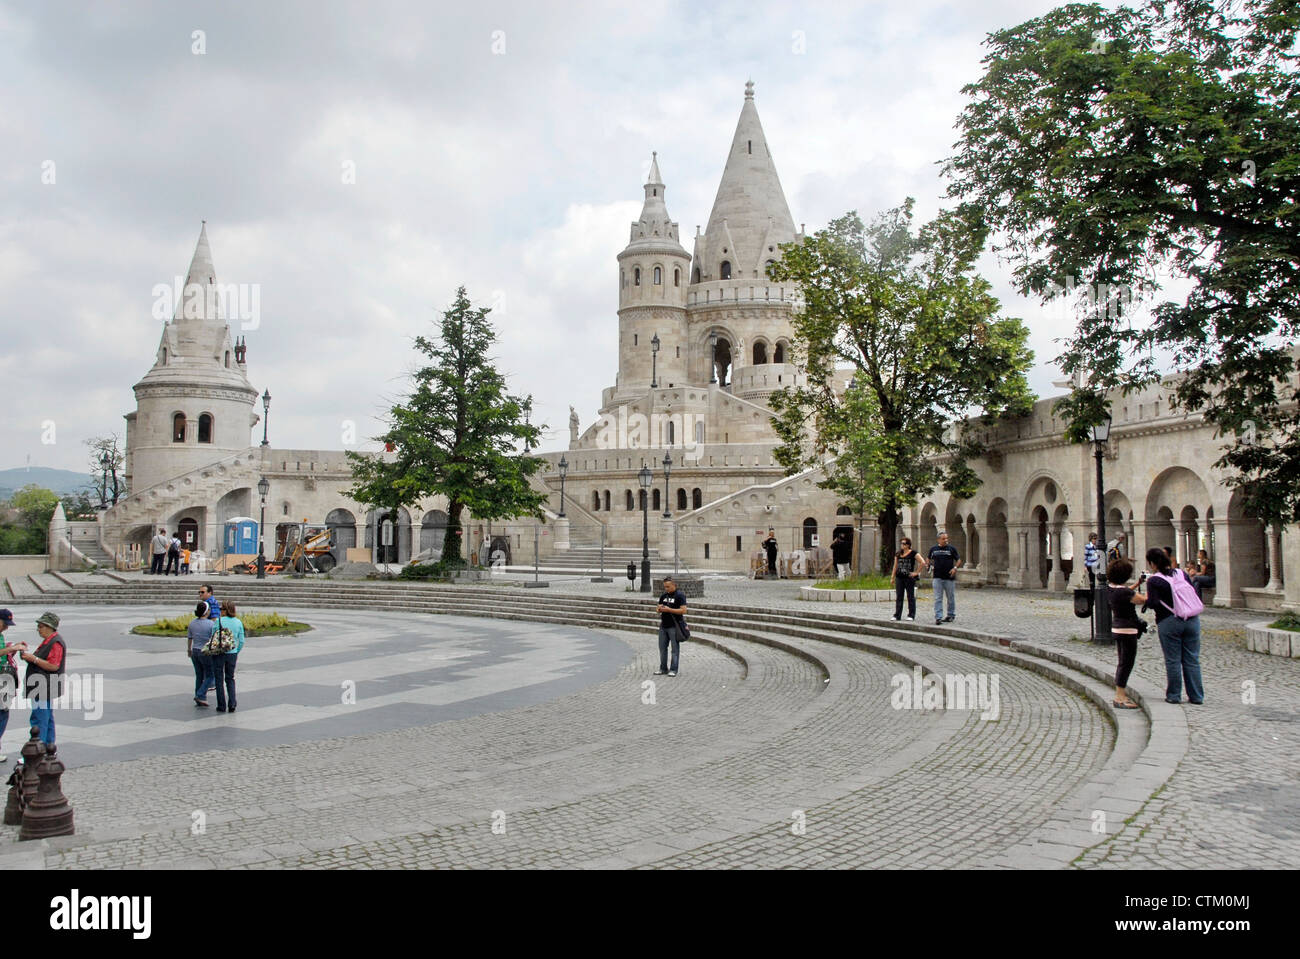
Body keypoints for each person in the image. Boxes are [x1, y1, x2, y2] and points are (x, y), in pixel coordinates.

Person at [1142, 547, 1205, 705]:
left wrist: (1144, 600)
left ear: (1152, 563)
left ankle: (1174, 695)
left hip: (1169, 621)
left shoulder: (1154, 580)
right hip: (1192, 619)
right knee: (1192, 659)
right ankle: (1197, 696)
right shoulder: (1181, 573)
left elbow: (1153, 602)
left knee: (1173, 660)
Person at [1106, 558, 1146, 709]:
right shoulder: (1124, 592)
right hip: (1127, 629)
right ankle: (1120, 696)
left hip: (1117, 628)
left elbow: (1126, 591)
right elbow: (1141, 600)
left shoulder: (1111, 589)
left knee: (1122, 661)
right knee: (1126, 663)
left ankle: (1120, 694)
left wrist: (1138, 584)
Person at [21, 612, 66, 745]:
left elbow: (53, 665)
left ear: (49, 627)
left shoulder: (55, 642)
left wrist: (33, 659)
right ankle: (48, 747)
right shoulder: (49, 641)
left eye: (40, 626)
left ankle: (38, 751)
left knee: (40, 719)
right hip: (41, 687)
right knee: (46, 718)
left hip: (43, 687)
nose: (38, 629)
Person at [0, 609, 28, 762]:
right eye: (5, 624)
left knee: (3, 712)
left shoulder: (1, 636)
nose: (6, 627)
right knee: (2, 713)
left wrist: (13, 648)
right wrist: (12, 648)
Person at [212, 600, 245, 713]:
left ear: (226, 610)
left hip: (219, 653)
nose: (220, 611)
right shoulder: (238, 622)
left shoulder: (218, 621)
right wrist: (236, 650)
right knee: (230, 678)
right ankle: (232, 703)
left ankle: (221, 705)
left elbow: (213, 637)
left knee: (219, 679)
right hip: (232, 654)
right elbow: (241, 640)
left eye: (222, 609)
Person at [654, 576, 687, 678]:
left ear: (674, 585)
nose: (666, 589)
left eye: (668, 586)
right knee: (662, 648)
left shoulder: (680, 596)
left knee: (674, 649)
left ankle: (673, 669)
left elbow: (683, 610)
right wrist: (659, 609)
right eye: (665, 587)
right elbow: (657, 608)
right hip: (663, 626)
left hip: (674, 626)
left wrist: (669, 610)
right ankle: (663, 668)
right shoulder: (663, 596)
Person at [928, 531, 962, 624]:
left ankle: (950, 615)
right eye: (943, 539)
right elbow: (928, 559)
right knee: (938, 597)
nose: (945, 540)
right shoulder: (933, 549)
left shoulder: (951, 549)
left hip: (949, 577)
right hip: (937, 577)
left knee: (950, 597)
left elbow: (958, 560)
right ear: (938, 539)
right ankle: (938, 617)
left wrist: (955, 568)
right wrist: (930, 566)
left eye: (946, 538)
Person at [188, 601, 215, 708]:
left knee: (199, 675)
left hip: (195, 651)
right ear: (207, 612)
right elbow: (213, 639)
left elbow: (190, 638)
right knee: (210, 675)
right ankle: (200, 694)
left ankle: (200, 697)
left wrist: (188, 650)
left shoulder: (192, 623)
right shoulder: (211, 624)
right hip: (205, 652)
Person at [889, 537, 924, 621]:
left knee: (910, 596)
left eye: (904, 544)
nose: (902, 545)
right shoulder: (898, 554)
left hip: (909, 577)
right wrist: (892, 577)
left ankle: (911, 614)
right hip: (899, 577)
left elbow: (922, 562)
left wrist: (916, 572)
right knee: (899, 596)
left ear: (908, 545)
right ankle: (897, 615)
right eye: (901, 543)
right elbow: (895, 566)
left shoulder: (913, 553)